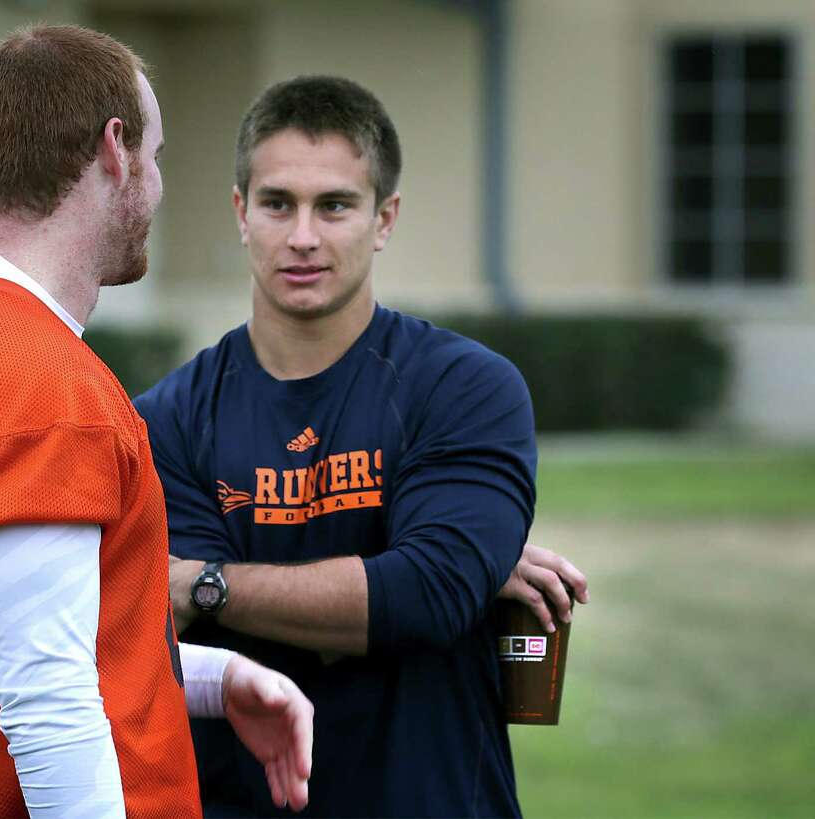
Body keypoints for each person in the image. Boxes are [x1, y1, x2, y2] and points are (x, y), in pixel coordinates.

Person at [0, 27, 313, 819]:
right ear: (116, 150)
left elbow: (46, 637)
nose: (159, 181)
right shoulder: (41, 387)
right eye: (159, 156)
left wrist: (214, 677)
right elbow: (48, 705)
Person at [134, 76, 589, 817]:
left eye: (336, 205)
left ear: (384, 218)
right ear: (241, 212)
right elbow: (147, 619)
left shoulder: (466, 387)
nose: (304, 236)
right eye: (278, 203)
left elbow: (429, 595)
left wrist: (205, 585)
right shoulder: (166, 420)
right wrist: (426, 571)